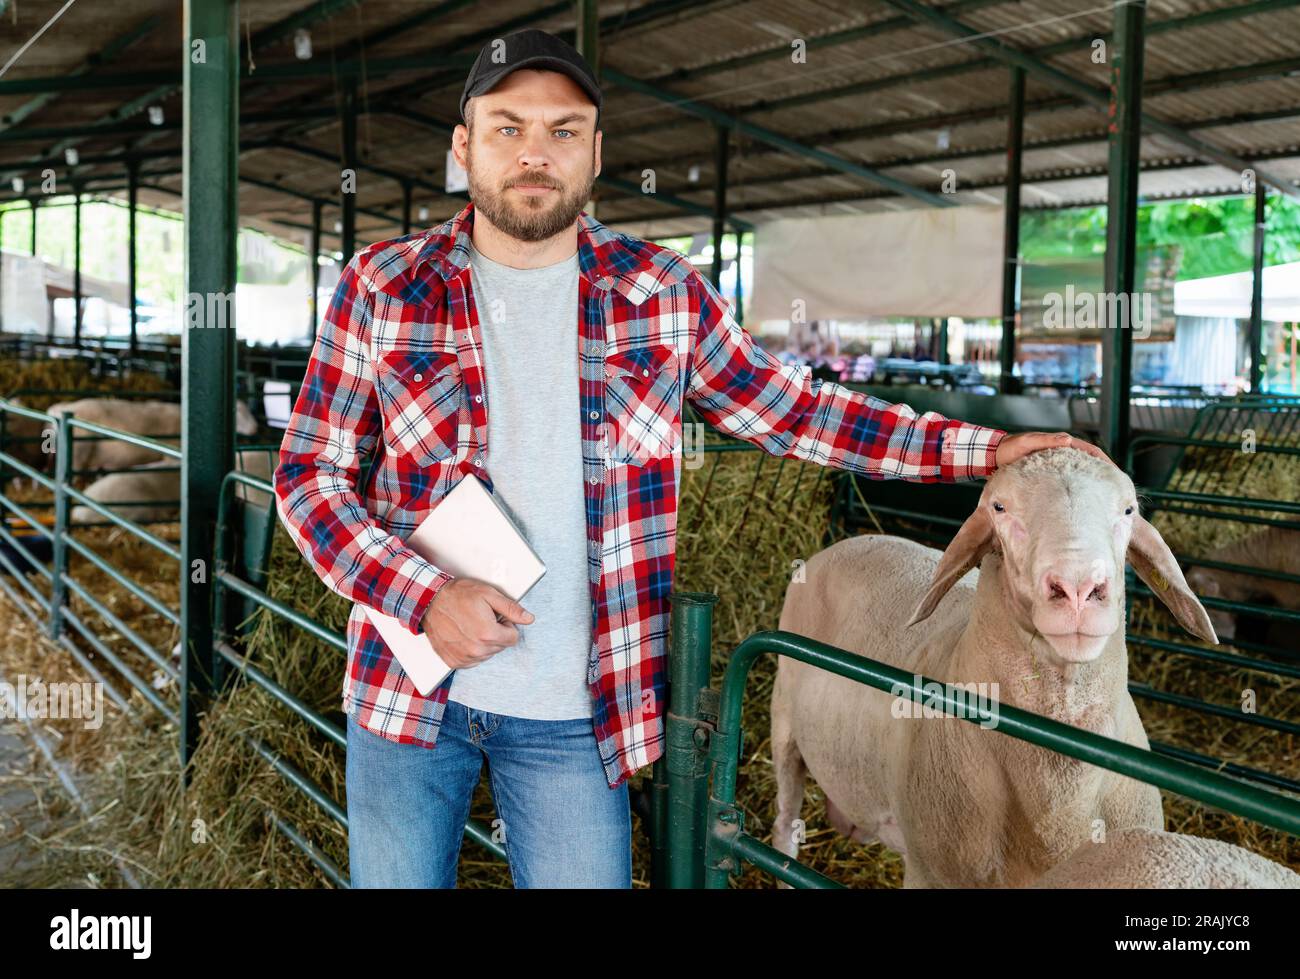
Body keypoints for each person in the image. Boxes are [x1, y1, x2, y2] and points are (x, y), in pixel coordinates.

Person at [272, 28, 1111, 889]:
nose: (535, 153)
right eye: (507, 127)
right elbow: (308, 476)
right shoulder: (382, 284)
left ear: (596, 152)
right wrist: (422, 595)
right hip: (410, 694)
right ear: (463, 147)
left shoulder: (661, 293)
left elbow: (799, 411)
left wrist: (986, 447)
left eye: (563, 131)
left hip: (580, 712)